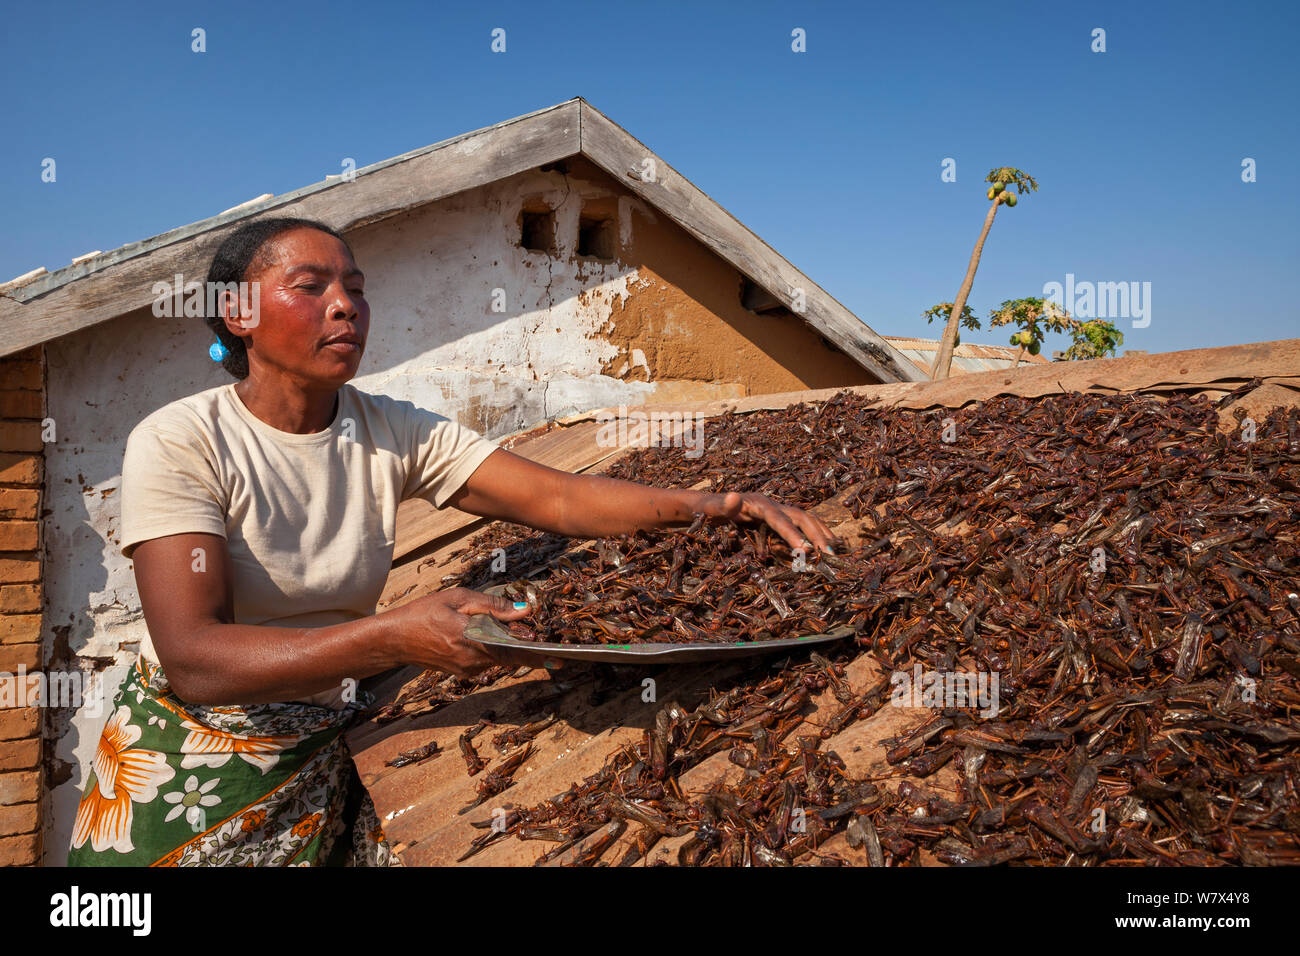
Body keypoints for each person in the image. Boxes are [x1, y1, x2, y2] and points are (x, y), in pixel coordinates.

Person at [67, 217, 839, 866]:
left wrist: (714, 503)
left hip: (317, 739)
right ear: (238, 313)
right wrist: (395, 636)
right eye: (312, 288)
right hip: (189, 767)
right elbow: (196, 658)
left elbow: (560, 496)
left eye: (357, 290)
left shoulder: (388, 429)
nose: (346, 309)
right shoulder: (182, 440)